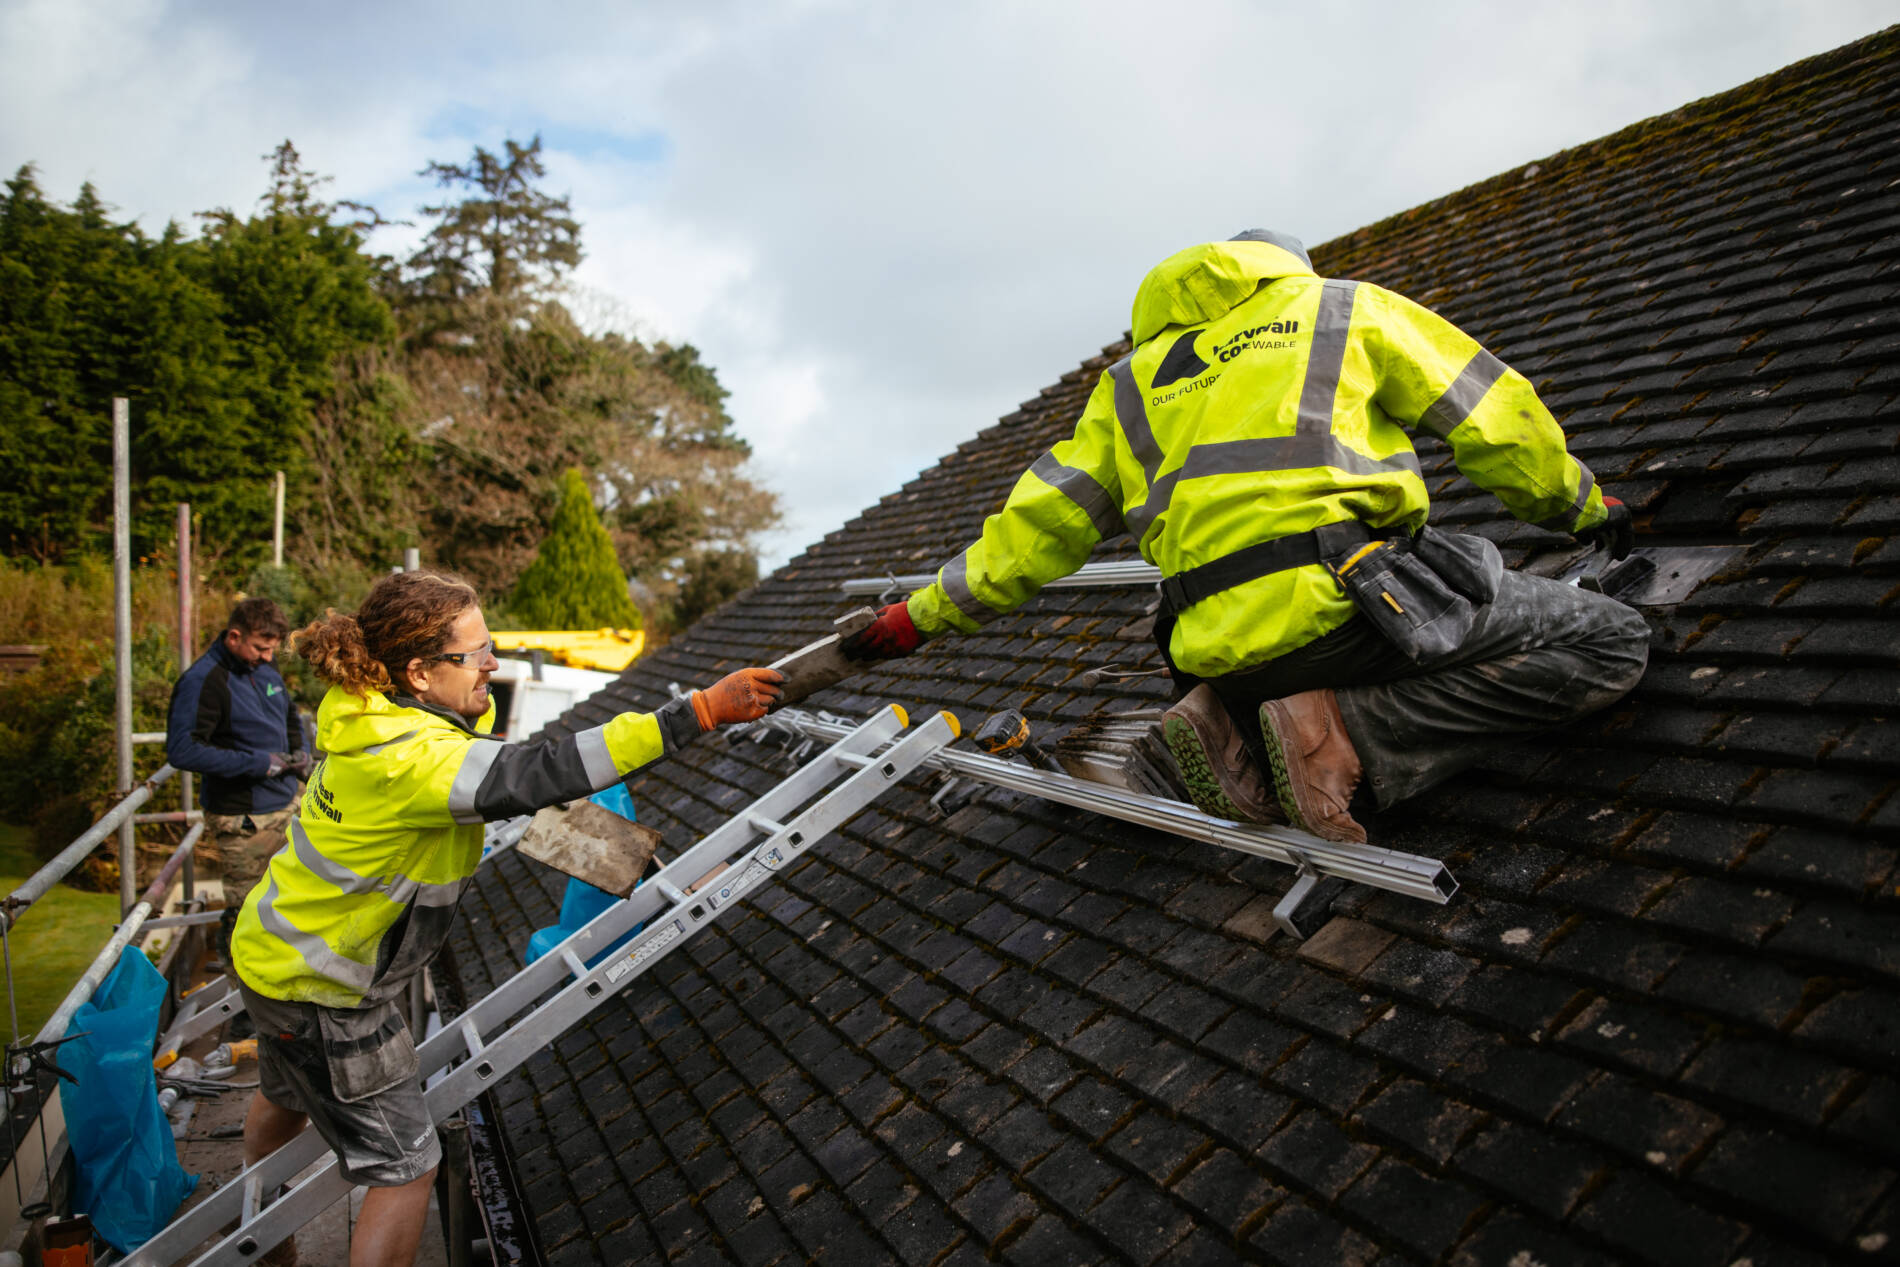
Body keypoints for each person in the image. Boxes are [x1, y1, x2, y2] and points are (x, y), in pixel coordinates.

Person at [844, 231, 1648, 844]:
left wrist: (916, 617)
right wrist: (1582, 508)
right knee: (1610, 642)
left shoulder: (1129, 384)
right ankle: (1343, 732)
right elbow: (1494, 421)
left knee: (1280, 652)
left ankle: (1236, 720)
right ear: (1282, 271)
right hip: (1351, 613)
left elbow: (1035, 528)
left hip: (1212, 651)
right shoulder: (1338, 308)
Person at [229, 569, 783, 1266]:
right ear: (419, 673)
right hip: (326, 994)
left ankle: (261, 1239)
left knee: (284, 1093)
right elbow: (545, 773)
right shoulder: (417, 761)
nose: (493, 664)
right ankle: (270, 1245)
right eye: (475, 653)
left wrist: (656, 876)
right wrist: (695, 712)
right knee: (406, 1168)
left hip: (273, 959)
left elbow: (524, 801)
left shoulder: (368, 720)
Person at [165, 596, 310, 948]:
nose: (267, 657)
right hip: (244, 819)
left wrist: (301, 752)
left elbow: (289, 714)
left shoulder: (265, 666)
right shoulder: (203, 681)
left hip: (286, 801)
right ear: (234, 637)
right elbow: (182, 750)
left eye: (271, 649)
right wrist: (257, 764)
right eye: (260, 648)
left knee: (293, 903)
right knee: (249, 916)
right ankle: (238, 979)